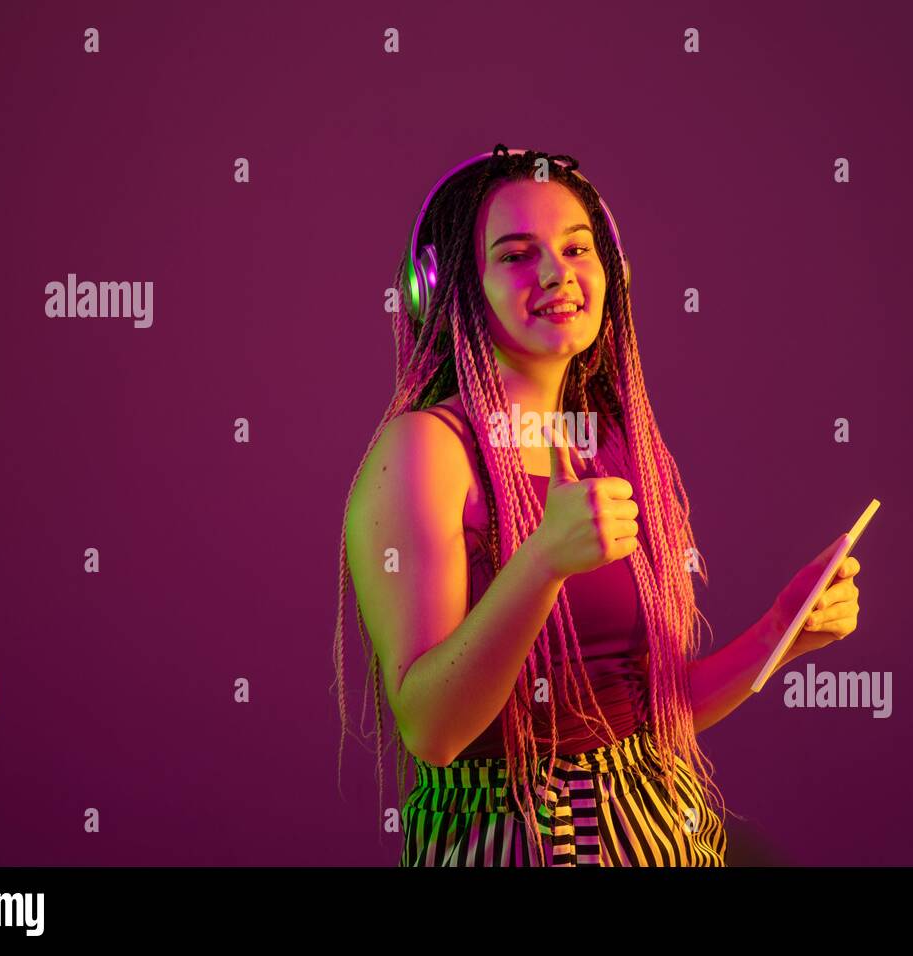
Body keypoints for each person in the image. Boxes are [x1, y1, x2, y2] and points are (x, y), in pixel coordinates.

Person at [332, 145, 863, 866]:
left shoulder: (601, 447)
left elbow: (640, 717)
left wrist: (778, 633)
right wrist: (543, 561)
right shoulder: (425, 451)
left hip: (660, 828)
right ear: (452, 287)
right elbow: (432, 727)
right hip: (519, 842)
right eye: (517, 255)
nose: (557, 273)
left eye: (577, 248)